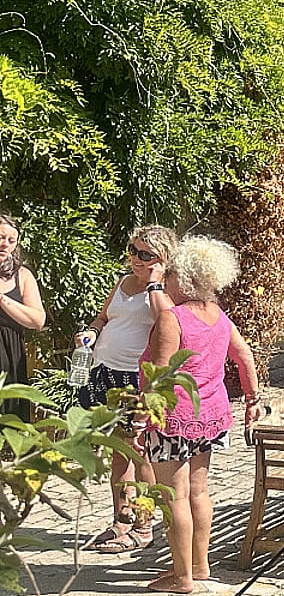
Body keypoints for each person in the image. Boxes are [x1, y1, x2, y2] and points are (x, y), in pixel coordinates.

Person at [141, 235, 261, 593]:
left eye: (170, 275)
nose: (166, 282)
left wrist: (137, 420)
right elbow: (244, 356)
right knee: (198, 492)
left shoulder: (172, 319)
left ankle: (181, 578)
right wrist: (253, 399)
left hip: (171, 418)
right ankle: (199, 566)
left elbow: (159, 376)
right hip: (210, 416)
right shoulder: (219, 316)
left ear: (186, 279)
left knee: (174, 495)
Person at [77, 225, 178, 553]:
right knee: (118, 453)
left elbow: (167, 321)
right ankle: (121, 520)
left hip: (136, 380)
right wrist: (91, 334)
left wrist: (154, 283)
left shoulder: (162, 292)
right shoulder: (121, 283)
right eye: (133, 251)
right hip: (104, 374)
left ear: (163, 259)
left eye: (145, 255)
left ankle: (144, 525)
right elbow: (103, 319)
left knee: (140, 453)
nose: (135, 258)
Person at [0, 214, 46, 421]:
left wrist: (2, 299)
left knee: (10, 422)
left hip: (10, 356)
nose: (5, 244)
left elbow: (37, 321)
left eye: (11, 240)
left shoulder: (23, 275)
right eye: (1, 237)